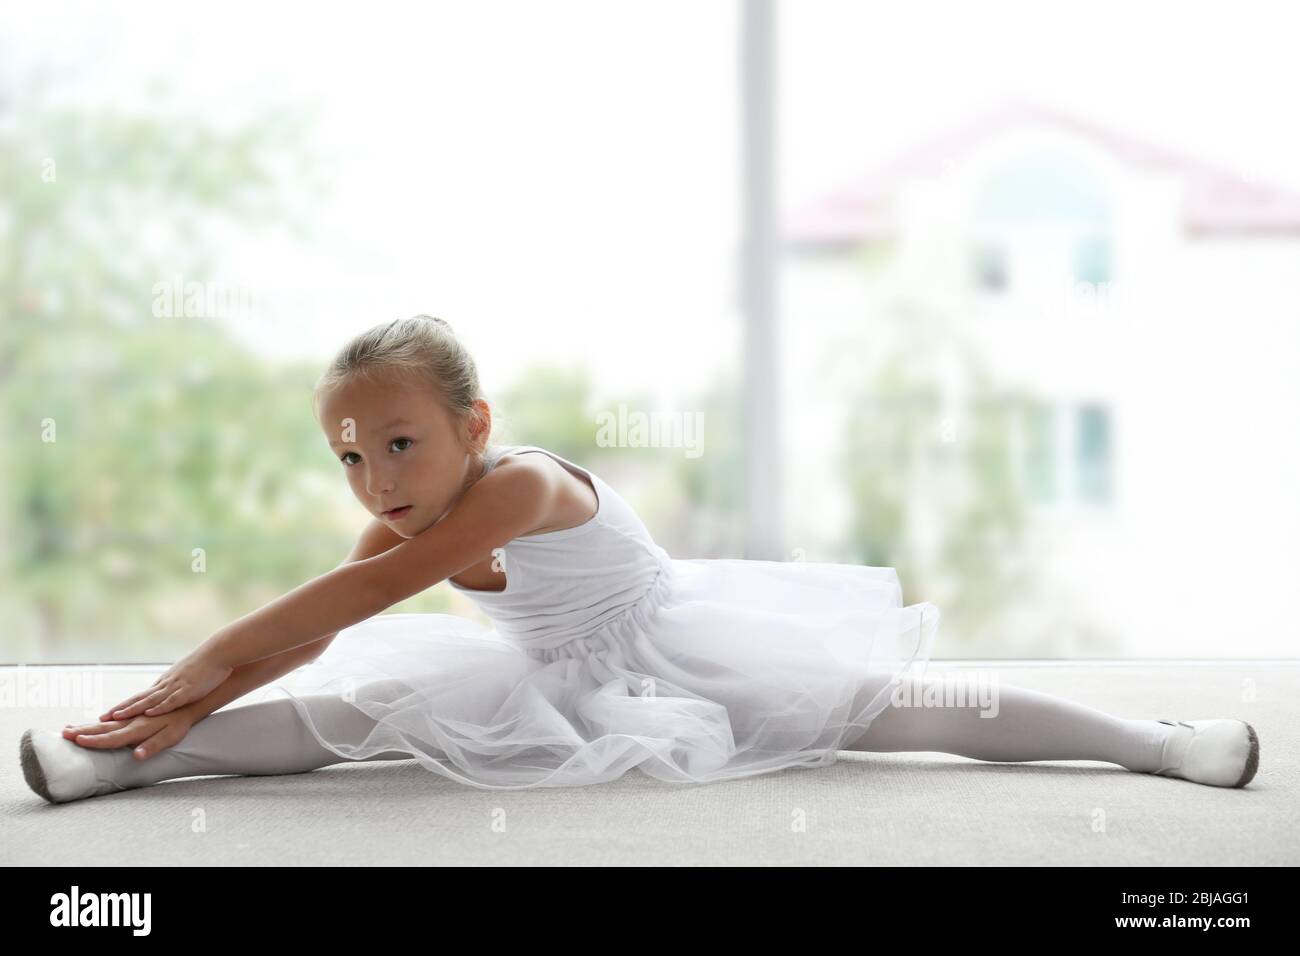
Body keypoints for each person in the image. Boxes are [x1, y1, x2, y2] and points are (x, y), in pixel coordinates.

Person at [20, 315, 1259, 802]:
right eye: (349, 457)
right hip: (554, 674)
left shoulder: (520, 486)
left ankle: (1151, 740)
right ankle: (126, 759)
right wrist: (179, 701)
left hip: (685, 642)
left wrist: (195, 652)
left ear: (473, 426)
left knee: (919, 710)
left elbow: (361, 590)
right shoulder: (401, 526)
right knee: (338, 715)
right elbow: (314, 629)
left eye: (397, 443)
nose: (376, 480)